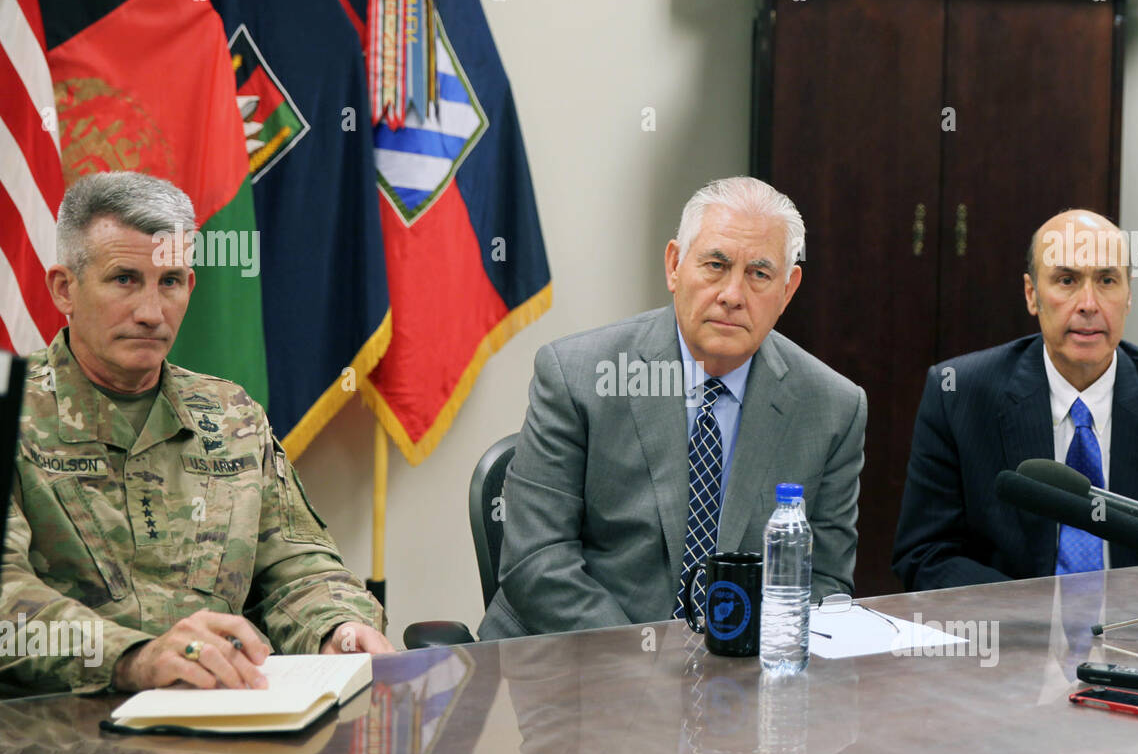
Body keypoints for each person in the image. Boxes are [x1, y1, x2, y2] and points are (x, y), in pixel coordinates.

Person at [0, 172, 392, 697]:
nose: (150, 313)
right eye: (124, 279)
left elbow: (297, 566)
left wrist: (338, 628)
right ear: (64, 288)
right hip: (54, 739)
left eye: (170, 282)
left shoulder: (231, 415)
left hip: (223, 732)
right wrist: (136, 658)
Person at [479, 176, 867, 638]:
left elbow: (822, 583)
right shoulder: (577, 375)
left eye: (759, 274)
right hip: (576, 666)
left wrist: (737, 660)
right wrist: (653, 668)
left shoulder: (833, 408)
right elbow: (536, 563)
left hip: (738, 678)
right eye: (716, 265)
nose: (732, 294)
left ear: (787, 290)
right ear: (674, 266)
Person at [892, 209, 1138, 591]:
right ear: (1032, 295)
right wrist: (1039, 615)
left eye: (1107, 280)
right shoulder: (958, 395)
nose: (1088, 303)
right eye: (1067, 280)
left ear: (1128, 296)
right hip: (1012, 638)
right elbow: (924, 554)